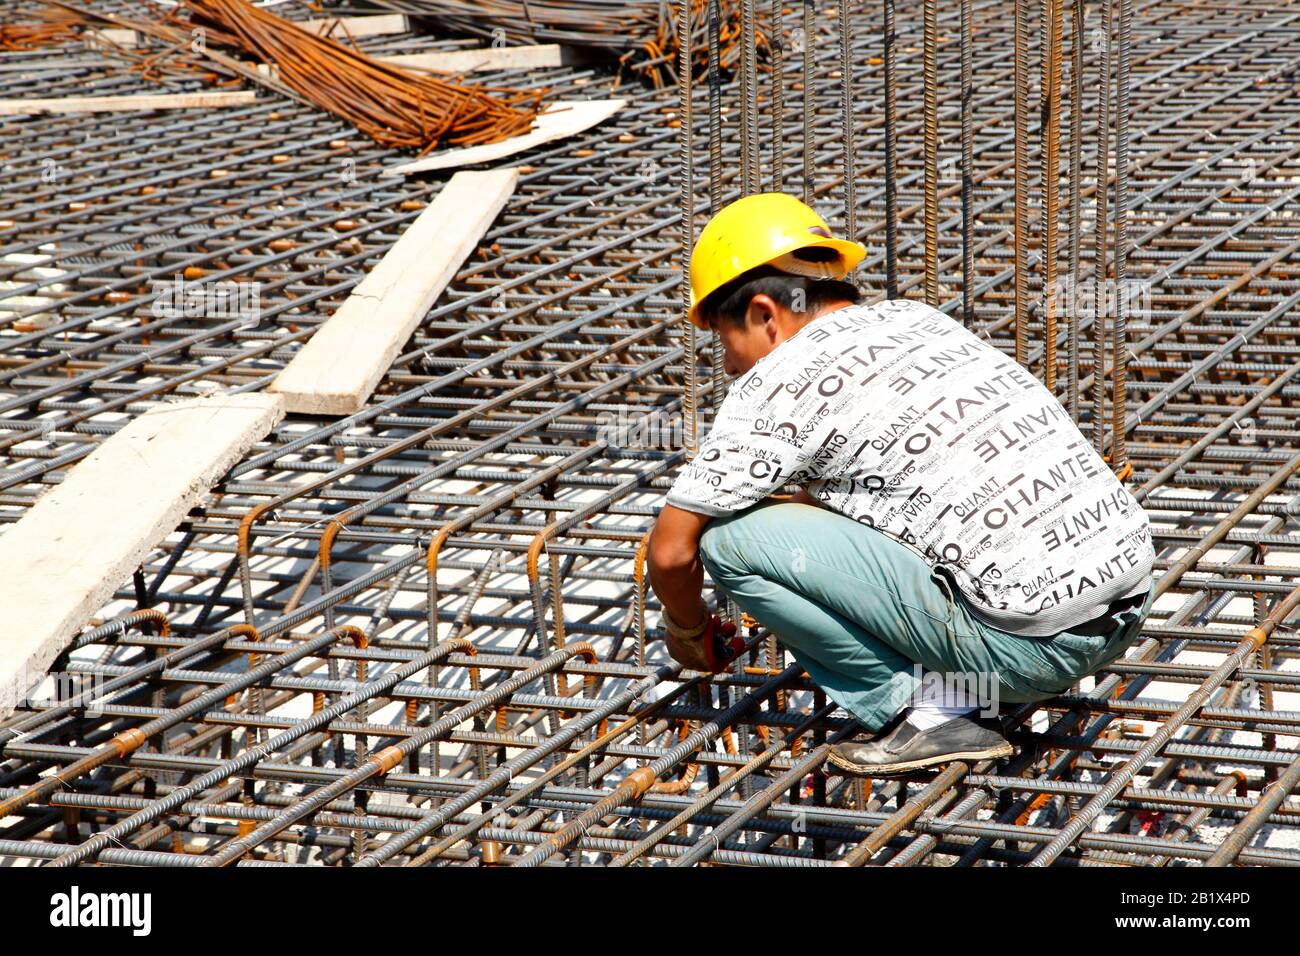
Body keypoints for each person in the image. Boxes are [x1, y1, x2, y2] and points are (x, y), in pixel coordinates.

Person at [647, 193, 1155, 775]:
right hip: (1128, 604)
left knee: (729, 542)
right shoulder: (915, 319)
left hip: (1029, 653)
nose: (729, 364)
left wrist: (687, 631)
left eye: (723, 339)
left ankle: (936, 714)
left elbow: (670, 550)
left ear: (765, 313)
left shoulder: (776, 385)